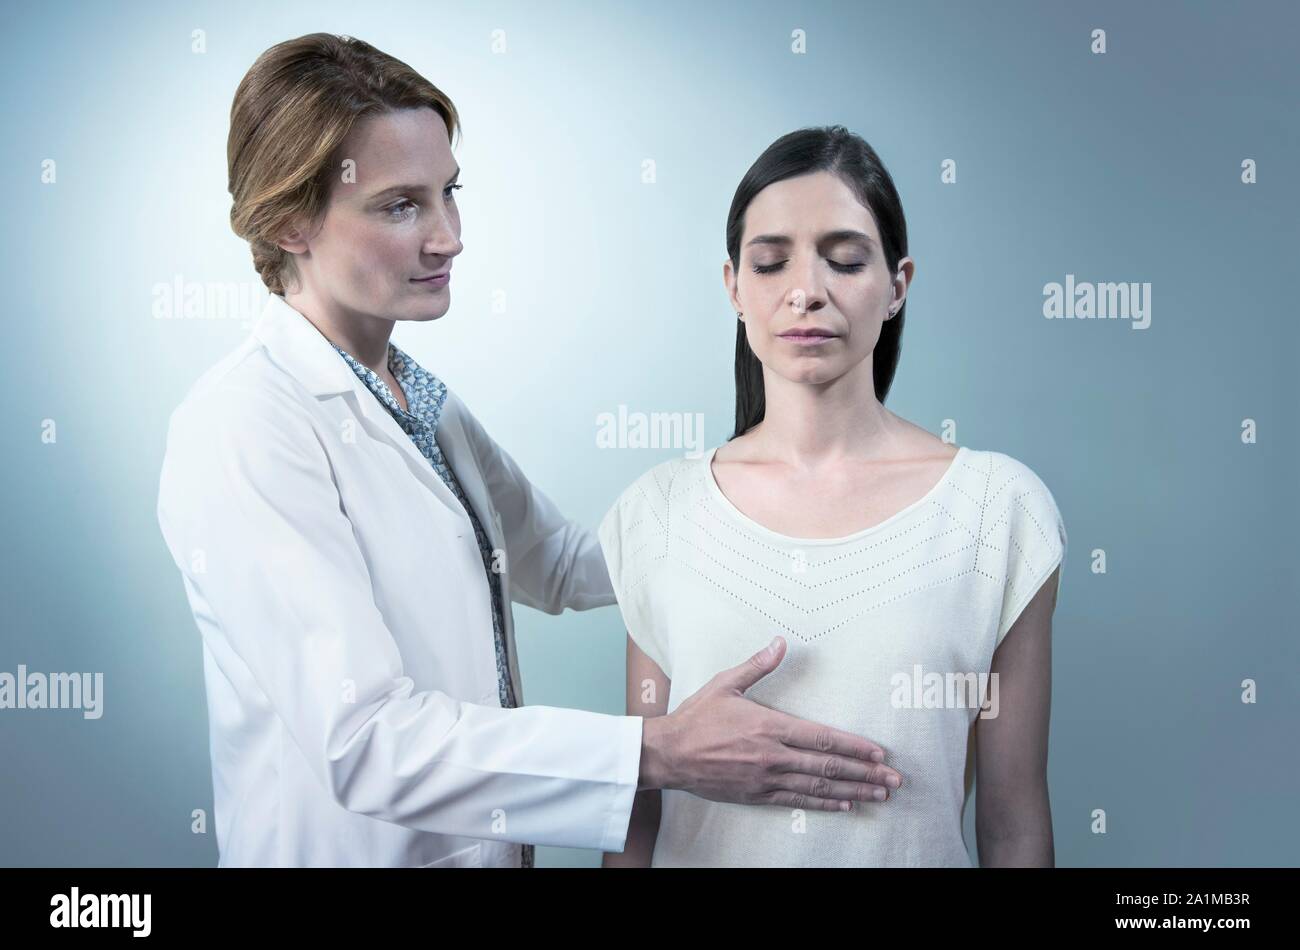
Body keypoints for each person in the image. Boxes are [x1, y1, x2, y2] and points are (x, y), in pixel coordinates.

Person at [155, 35, 903, 868]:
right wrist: (657, 752)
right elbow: (365, 739)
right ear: (290, 219)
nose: (449, 238)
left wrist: (787, 500)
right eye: (401, 206)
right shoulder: (245, 424)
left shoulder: (420, 401)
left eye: (449, 193)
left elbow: (569, 561)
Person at [599, 126, 1067, 867]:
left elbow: (1013, 823)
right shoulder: (657, 512)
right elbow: (638, 818)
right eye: (771, 261)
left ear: (897, 286)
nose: (807, 289)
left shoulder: (996, 511)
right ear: (734, 288)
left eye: (845, 259)